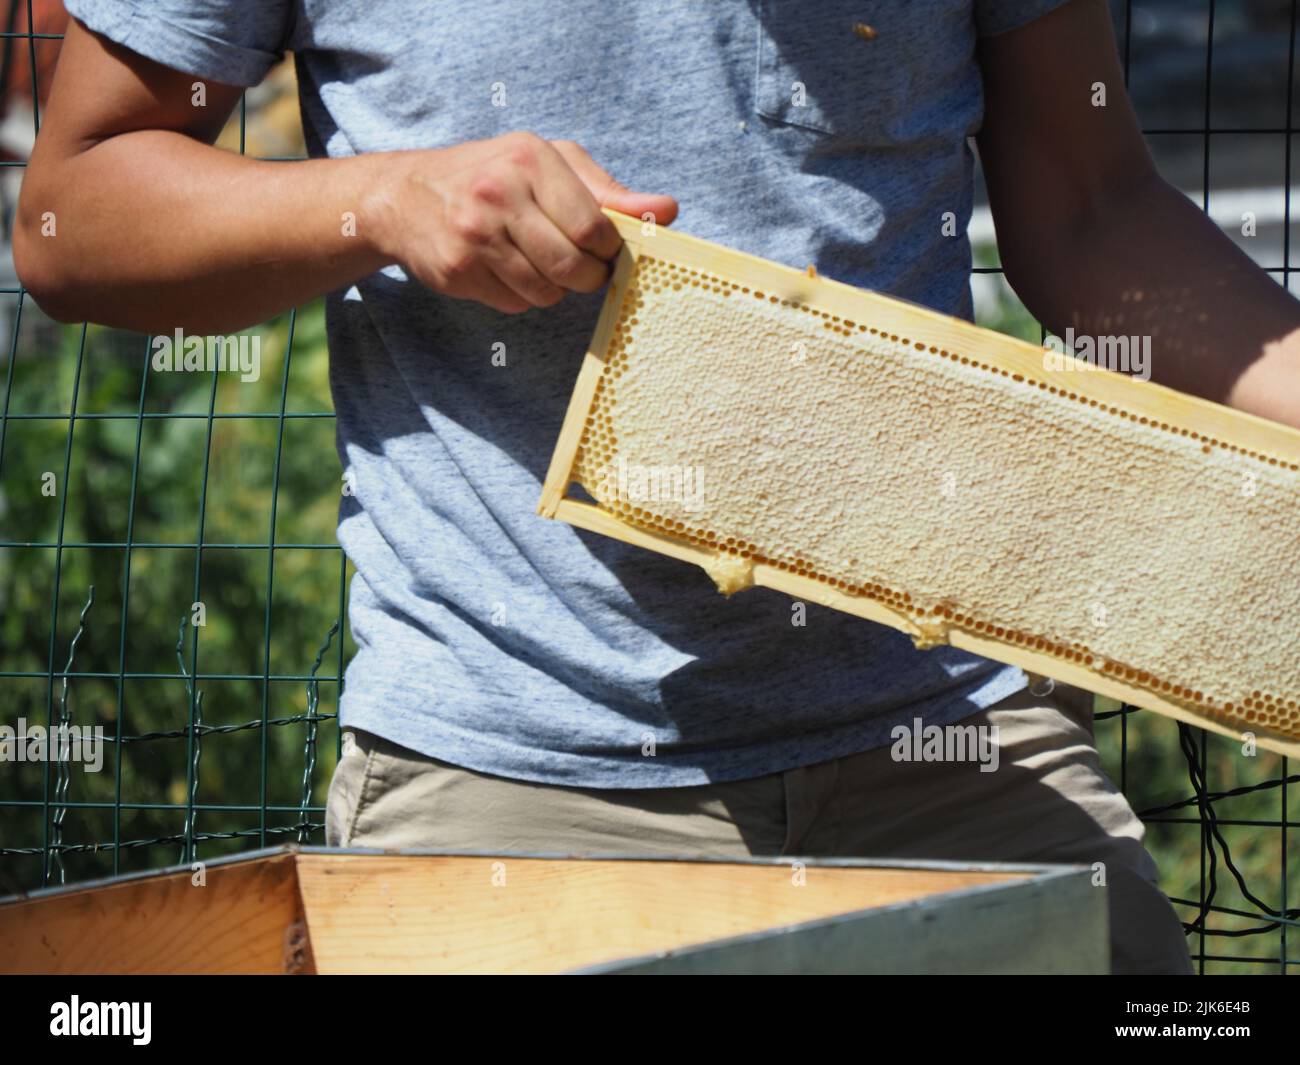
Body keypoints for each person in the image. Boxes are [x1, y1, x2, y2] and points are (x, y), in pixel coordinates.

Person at [20, 1, 1300, 974]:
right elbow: (71, 217)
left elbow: (1094, 206)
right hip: (517, 779)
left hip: (949, 736)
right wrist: (379, 200)